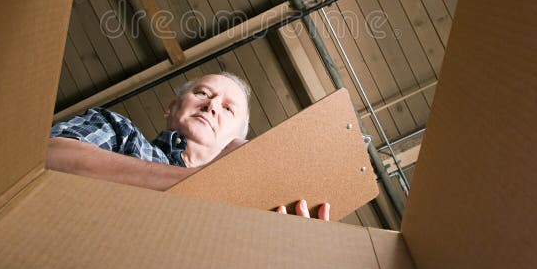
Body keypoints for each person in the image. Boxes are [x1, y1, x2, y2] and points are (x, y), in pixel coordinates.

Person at [47, 72, 328, 220]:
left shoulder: (243, 215)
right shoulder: (120, 131)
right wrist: (206, 184)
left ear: (235, 139)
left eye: (228, 109)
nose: (212, 104)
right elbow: (50, 157)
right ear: (172, 107)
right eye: (203, 93)